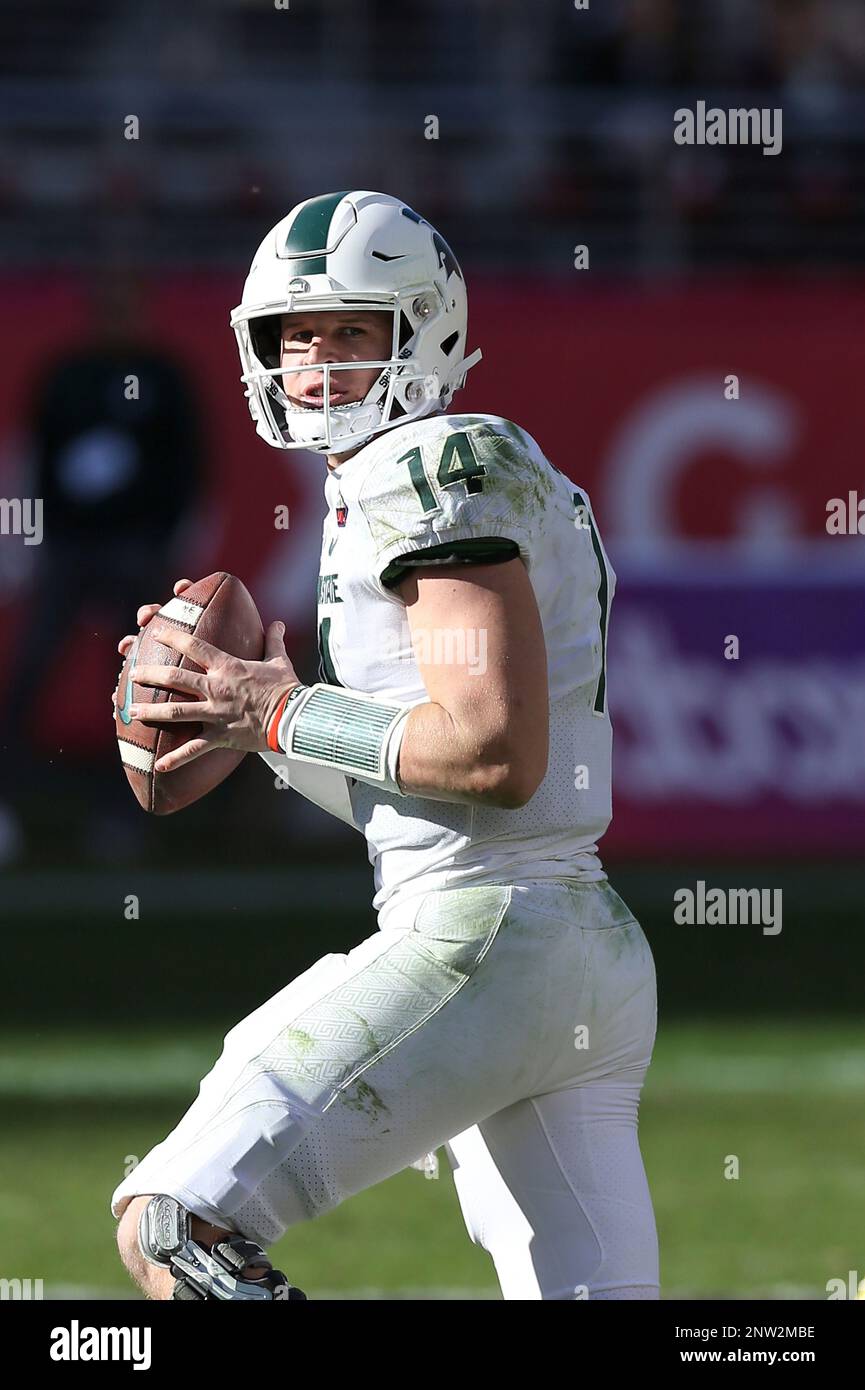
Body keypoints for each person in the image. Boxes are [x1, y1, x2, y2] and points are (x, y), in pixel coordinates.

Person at [110, 190, 658, 1301]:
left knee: (176, 1222)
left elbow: (491, 755)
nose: (315, 359)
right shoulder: (408, 476)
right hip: (566, 944)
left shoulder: (431, 463)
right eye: (292, 335)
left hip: (484, 936)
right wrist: (250, 721)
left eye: (351, 329)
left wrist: (271, 709)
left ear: (426, 330)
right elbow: (430, 791)